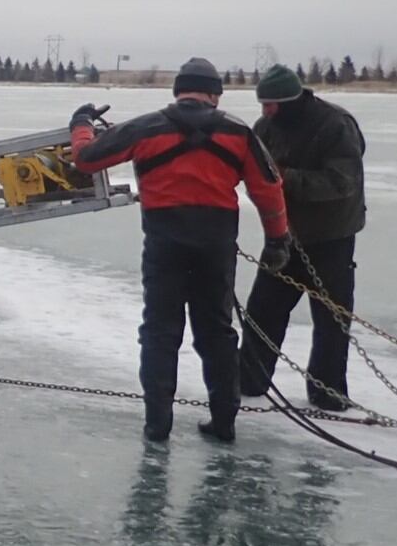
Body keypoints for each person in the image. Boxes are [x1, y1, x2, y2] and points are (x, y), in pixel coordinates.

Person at [69, 57, 290, 444]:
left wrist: (81, 124)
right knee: (217, 333)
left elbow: (87, 160)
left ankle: (157, 424)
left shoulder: (146, 128)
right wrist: (277, 239)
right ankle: (224, 422)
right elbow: (268, 190)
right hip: (215, 246)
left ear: (178, 93)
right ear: (214, 95)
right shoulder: (238, 133)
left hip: (164, 244)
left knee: (159, 332)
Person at [237, 65, 367, 410]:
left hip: (331, 239)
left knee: (331, 320)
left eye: (271, 105)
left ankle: (328, 394)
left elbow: (343, 182)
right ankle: (248, 381)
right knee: (263, 310)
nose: (265, 111)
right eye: (262, 104)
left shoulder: (335, 125)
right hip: (283, 237)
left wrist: (284, 178)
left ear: (291, 101)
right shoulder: (265, 128)